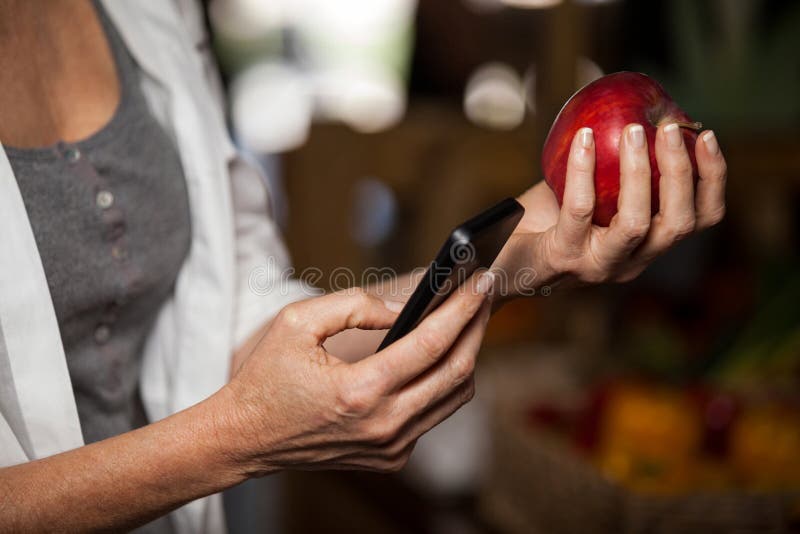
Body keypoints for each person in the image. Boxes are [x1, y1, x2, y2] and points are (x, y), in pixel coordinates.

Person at [0, 1, 727, 532]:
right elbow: (242, 410)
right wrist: (237, 439)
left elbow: (232, 330)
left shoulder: (148, 11)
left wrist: (525, 253)